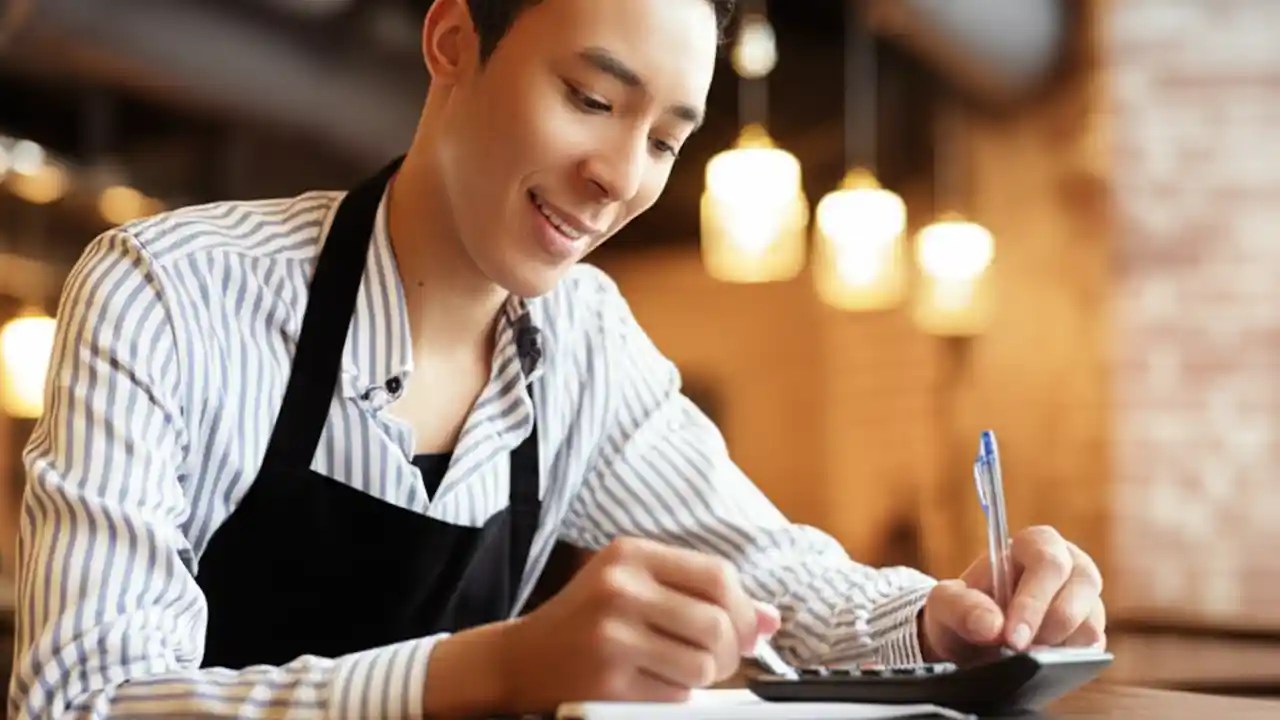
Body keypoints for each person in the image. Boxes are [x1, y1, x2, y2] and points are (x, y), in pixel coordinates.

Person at [7, 0, 1106, 717]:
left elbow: (769, 573)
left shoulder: (580, 342)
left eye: (667, 139)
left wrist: (947, 619)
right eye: (589, 98)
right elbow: (83, 700)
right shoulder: (169, 291)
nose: (620, 177)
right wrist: (498, 669)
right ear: (450, 40)